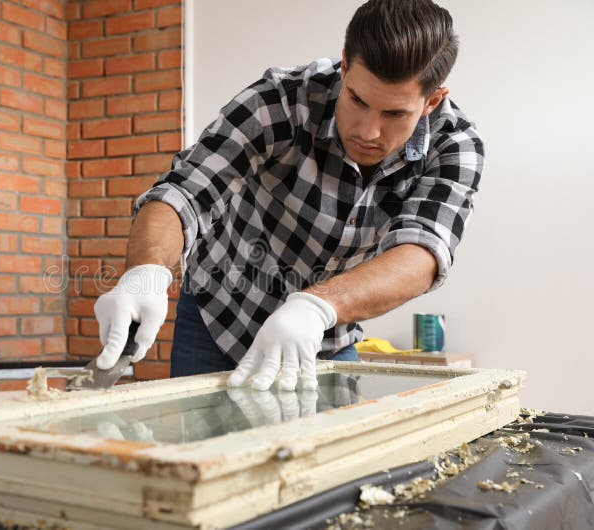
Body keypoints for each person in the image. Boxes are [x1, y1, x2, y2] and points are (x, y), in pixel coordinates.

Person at [93, 0, 483, 392]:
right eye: (358, 101)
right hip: (219, 318)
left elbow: (422, 252)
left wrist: (317, 306)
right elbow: (186, 190)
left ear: (432, 101)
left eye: (394, 114)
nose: (368, 131)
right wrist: (146, 271)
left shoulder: (454, 145)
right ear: (345, 66)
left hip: (323, 336)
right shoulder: (281, 100)